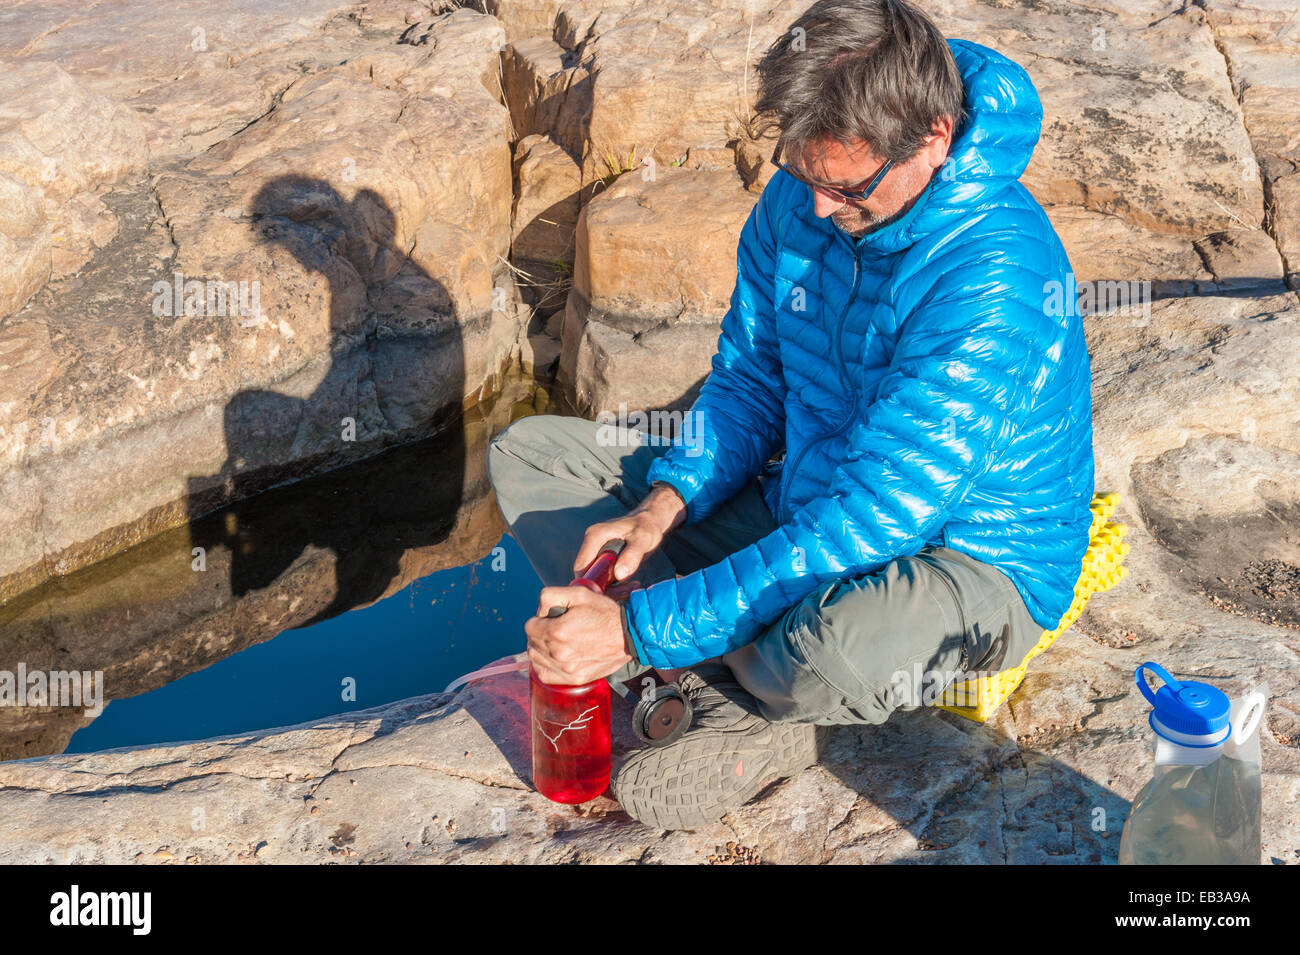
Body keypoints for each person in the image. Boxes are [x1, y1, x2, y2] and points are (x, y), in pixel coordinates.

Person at [487, 0, 1094, 830]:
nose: (812, 208)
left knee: (833, 649)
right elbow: (747, 381)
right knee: (534, 456)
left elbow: (874, 521)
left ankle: (773, 708)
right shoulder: (800, 199)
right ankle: (741, 674)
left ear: (935, 139)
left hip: (963, 560)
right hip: (806, 504)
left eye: (843, 187)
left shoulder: (992, 278)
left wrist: (636, 633)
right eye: (802, 174)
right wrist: (662, 505)